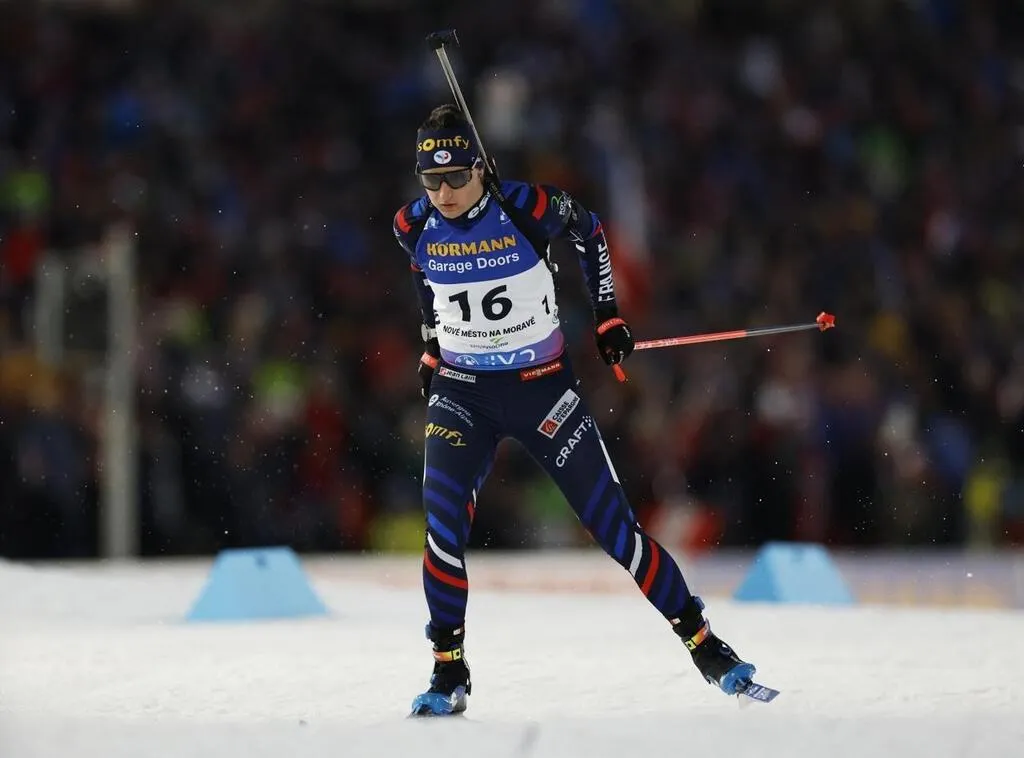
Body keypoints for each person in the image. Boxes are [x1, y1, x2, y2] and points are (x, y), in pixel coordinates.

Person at [393, 104, 756, 716]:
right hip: (464, 393)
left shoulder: (526, 208)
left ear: (480, 168)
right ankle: (447, 669)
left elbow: (590, 231)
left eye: (457, 177)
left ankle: (705, 645)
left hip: (542, 389)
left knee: (616, 529)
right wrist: (432, 345)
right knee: (443, 524)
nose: (445, 193)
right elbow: (426, 283)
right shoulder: (412, 222)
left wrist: (608, 313)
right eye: (433, 181)